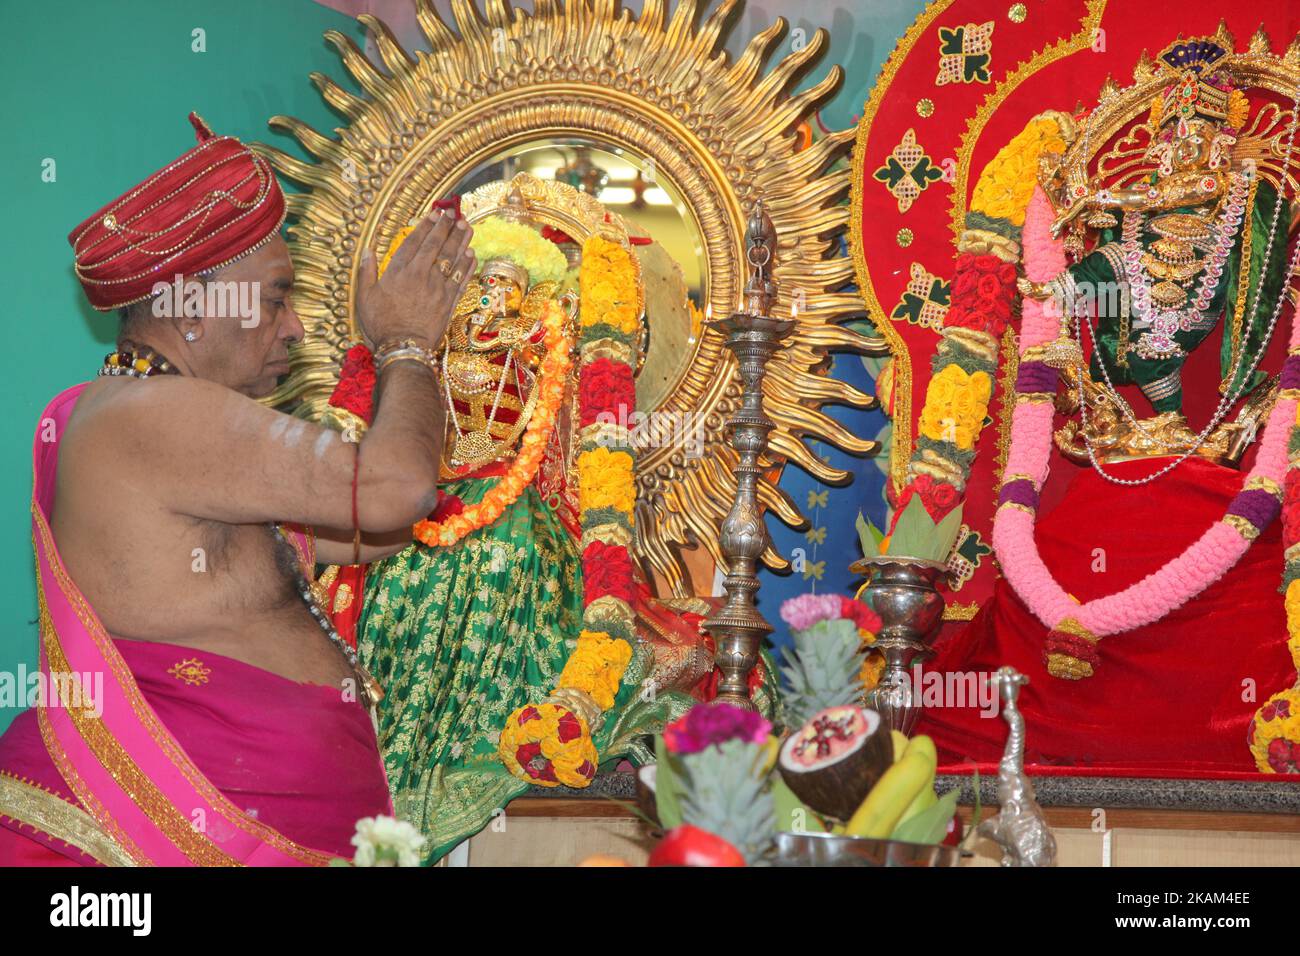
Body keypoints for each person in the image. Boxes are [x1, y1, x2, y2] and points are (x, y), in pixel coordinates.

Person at [0, 114, 475, 865]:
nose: (294, 329)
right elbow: (393, 490)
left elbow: (381, 529)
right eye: (278, 297)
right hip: (149, 838)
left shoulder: (170, 428)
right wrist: (407, 342)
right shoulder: (152, 415)